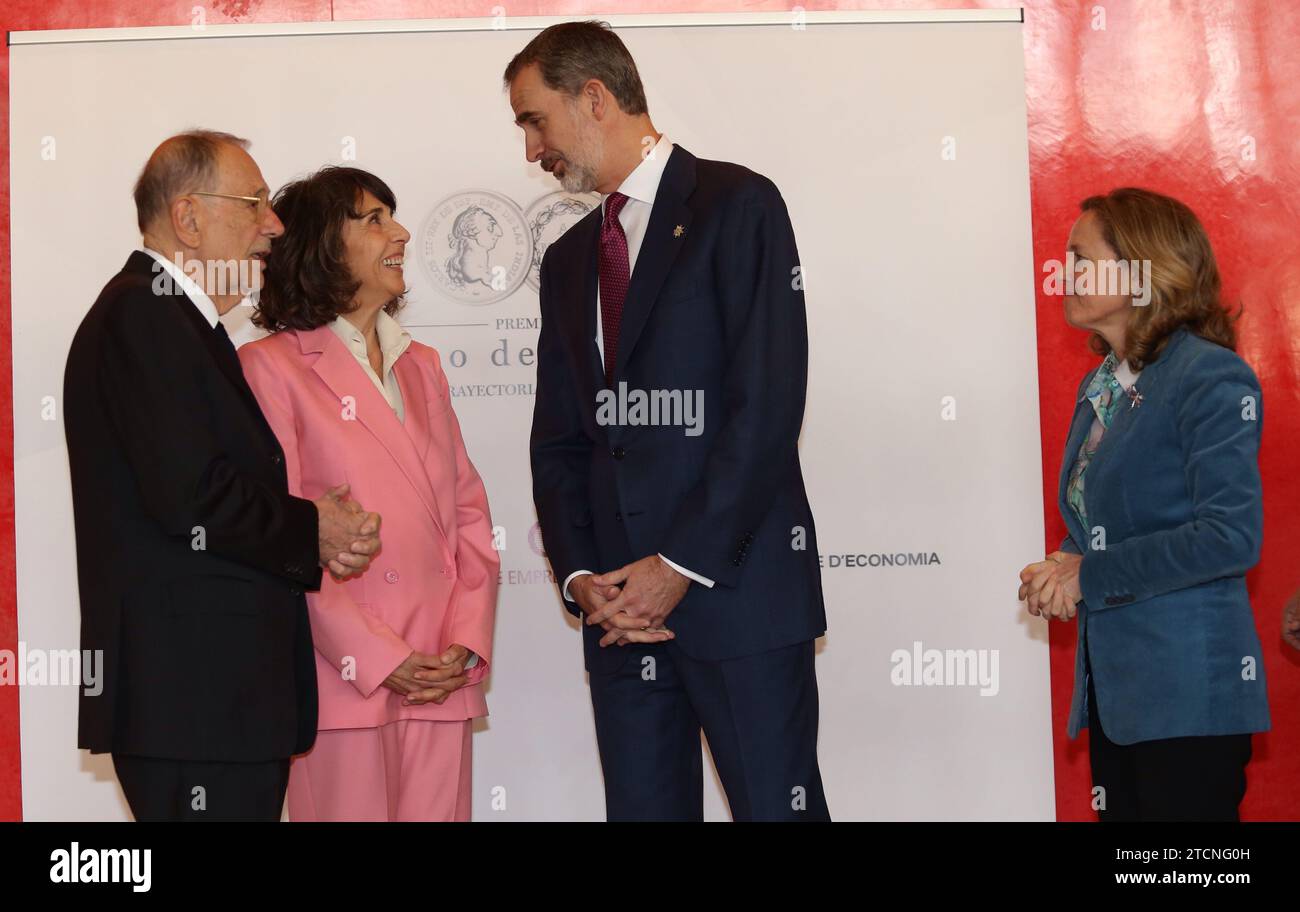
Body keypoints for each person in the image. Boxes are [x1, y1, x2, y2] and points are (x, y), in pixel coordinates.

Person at [507, 21, 829, 821]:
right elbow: (559, 441)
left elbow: (766, 407)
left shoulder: (737, 204)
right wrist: (585, 580)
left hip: (737, 596)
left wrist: (678, 566)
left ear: (594, 98)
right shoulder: (570, 258)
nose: (530, 149)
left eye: (533, 119)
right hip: (621, 620)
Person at [63, 130, 381, 821]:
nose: (273, 224)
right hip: (193, 698)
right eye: (255, 202)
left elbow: (195, 485)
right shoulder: (143, 315)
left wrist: (306, 519)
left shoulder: (175, 320)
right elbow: (190, 496)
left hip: (211, 700)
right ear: (189, 218)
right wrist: (312, 527)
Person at [238, 166, 498, 821]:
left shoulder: (422, 365)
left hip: (441, 676)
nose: (401, 233)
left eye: (394, 215)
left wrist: (464, 644)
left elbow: (468, 514)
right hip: (342, 683)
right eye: (375, 219)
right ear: (323, 245)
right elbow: (282, 536)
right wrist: (382, 658)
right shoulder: (269, 369)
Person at [1019, 187, 1270, 821]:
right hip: (1120, 699)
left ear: (1141, 269)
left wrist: (1089, 574)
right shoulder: (1102, 383)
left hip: (1188, 698)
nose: (1062, 271)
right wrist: (1065, 560)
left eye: (1080, 256)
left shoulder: (1210, 377)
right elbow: (1116, 521)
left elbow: (1227, 537)